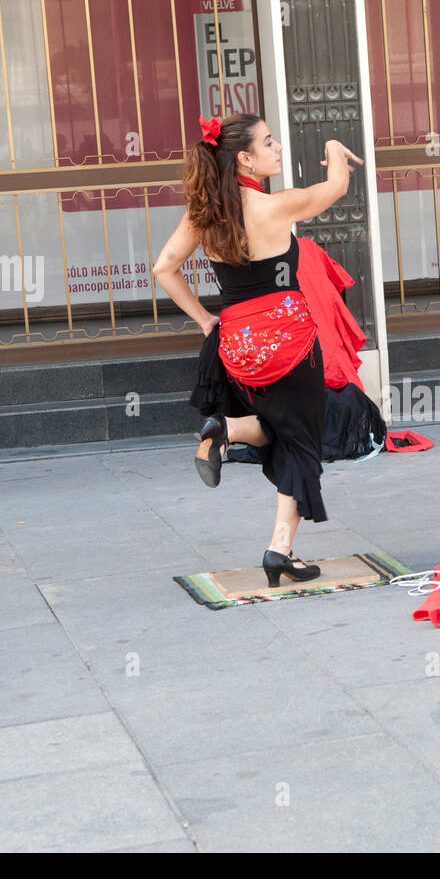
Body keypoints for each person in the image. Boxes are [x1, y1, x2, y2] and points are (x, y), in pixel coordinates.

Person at [153, 113, 362, 586]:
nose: (278, 148)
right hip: (289, 340)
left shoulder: (203, 214)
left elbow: (164, 268)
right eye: (269, 142)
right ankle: (227, 428)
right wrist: (330, 143)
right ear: (244, 158)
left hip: (236, 344)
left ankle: (279, 550)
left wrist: (206, 318)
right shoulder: (276, 206)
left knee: (288, 434)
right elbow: (335, 187)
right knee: (306, 438)